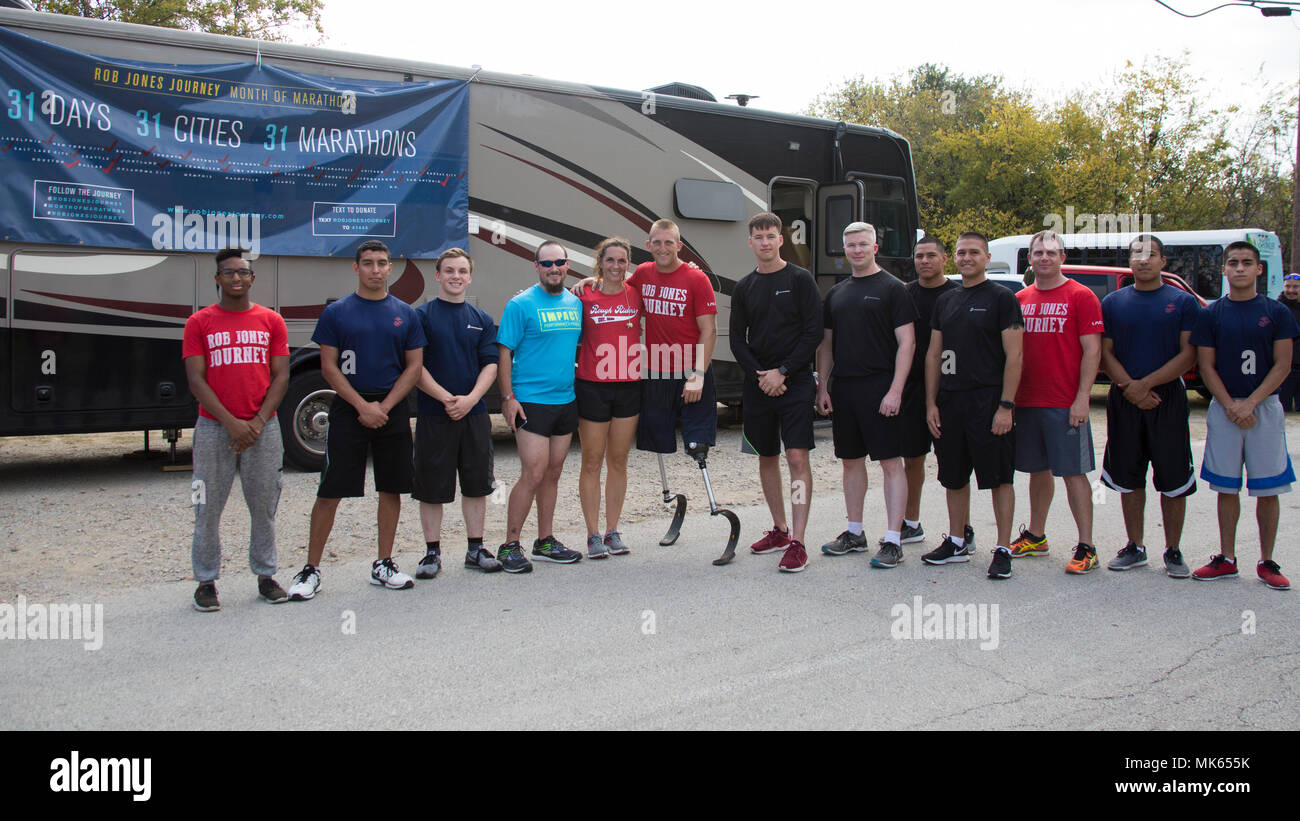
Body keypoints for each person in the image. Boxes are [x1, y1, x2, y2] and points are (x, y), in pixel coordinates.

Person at [287, 240, 426, 601]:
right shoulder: (337, 313)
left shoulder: (405, 313)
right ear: (356, 268)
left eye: (382, 263)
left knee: (391, 487)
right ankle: (311, 569)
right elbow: (328, 367)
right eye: (368, 263)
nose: (375, 270)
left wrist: (384, 406)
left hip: (391, 410)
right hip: (350, 409)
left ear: (390, 268)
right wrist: (362, 406)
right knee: (330, 490)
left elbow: (414, 367)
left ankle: (384, 564)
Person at [183, 247, 290, 611]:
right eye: (229, 273)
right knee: (207, 508)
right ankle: (206, 582)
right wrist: (232, 424)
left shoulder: (271, 321)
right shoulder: (199, 322)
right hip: (215, 428)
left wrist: (257, 423)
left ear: (252, 279)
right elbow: (196, 381)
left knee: (264, 506)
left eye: (243, 273)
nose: (236, 278)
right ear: (217, 279)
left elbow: (282, 376)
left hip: (264, 428)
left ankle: (266, 574)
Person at [1189, 241, 1297, 590]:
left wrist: (1250, 403)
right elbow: (1206, 365)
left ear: (1258, 269)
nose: (1239, 268)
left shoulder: (1277, 312)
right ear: (1223, 269)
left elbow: (1283, 364)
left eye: (1246, 263)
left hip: (1262, 407)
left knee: (1268, 488)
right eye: (1232, 263)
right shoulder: (1211, 313)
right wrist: (1231, 404)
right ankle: (1227, 558)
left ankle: (1267, 561)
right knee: (1226, 486)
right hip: (1225, 407)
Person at [922, 232, 1024, 579]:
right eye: (961, 252)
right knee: (953, 477)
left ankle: (1003, 548)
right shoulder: (946, 300)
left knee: (999, 478)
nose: (966, 258)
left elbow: (1015, 355)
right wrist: (931, 403)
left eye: (974, 252)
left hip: (989, 400)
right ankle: (957, 541)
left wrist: (1006, 406)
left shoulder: (1002, 298)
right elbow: (934, 354)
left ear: (987, 257)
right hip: (951, 401)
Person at [816, 221, 916, 569]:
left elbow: (908, 343)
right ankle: (854, 532)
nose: (856, 250)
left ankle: (892, 539)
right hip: (845, 388)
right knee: (851, 462)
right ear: (844, 250)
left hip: (881, 387)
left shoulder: (894, 289)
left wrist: (896, 390)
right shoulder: (837, 293)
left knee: (890, 463)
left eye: (863, 244)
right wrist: (823, 387)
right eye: (851, 245)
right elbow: (826, 345)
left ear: (875, 248)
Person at [1099, 235, 1200, 577]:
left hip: (1166, 397)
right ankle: (1136, 546)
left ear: (1163, 261)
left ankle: (1173, 550)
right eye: (1136, 255)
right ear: (1129, 261)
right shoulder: (1113, 302)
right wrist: (1130, 387)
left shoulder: (1183, 303)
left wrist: (1147, 385)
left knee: (1172, 478)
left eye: (1151, 255)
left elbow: (1189, 353)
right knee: (1129, 475)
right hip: (1125, 397)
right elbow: (1105, 352)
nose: (1143, 261)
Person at [1005, 229, 1105, 574]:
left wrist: (1082, 398)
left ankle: (1087, 546)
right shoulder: (1020, 299)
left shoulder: (1081, 296)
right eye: (1038, 252)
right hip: (1027, 401)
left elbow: (1093, 351)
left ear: (1062, 257)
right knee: (1037, 470)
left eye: (1051, 252)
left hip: (1065, 402)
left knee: (1074, 474)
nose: (1044, 257)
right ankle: (1036, 535)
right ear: (1029, 258)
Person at [730, 212, 821, 572]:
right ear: (750, 242)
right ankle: (780, 530)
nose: (765, 242)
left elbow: (813, 333)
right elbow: (737, 339)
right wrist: (761, 375)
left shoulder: (800, 280)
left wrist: (782, 371)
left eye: (771, 236)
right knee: (765, 457)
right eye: (759, 237)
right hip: (758, 385)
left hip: (794, 382)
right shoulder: (744, 287)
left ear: (781, 240)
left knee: (797, 459)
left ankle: (798, 541)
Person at [411, 248, 503, 578]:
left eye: (462, 271)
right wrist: (446, 398)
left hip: (474, 414)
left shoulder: (481, 319)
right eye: (449, 270)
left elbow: (490, 366)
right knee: (431, 487)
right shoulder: (420, 317)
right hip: (434, 414)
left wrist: (470, 399)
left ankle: (475, 548)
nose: (456, 276)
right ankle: (431, 554)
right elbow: (415, 366)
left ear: (470, 277)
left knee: (477, 485)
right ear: (437, 275)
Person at [496, 240, 585, 573]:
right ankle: (509, 545)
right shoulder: (520, 305)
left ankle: (545, 541)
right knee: (533, 473)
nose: (553, 268)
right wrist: (507, 398)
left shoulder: (575, 303)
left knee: (552, 473)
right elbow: (504, 352)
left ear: (567, 265)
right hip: (531, 400)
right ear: (536, 266)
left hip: (565, 400)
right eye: (546, 263)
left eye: (559, 262)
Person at [576, 237, 642, 559]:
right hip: (592, 386)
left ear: (628, 264)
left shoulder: (637, 294)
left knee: (619, 460)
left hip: (628, 386)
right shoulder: (584, 293)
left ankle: (613, 530)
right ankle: (592, 535)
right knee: (592, 460)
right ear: (600, 262)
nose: (616, 267)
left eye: (622, 261)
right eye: (610, 260)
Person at [902, 235, 964, 548]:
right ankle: (910, 523)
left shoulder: (959, 293)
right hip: (913, 388)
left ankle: (962, 529)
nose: (924, 261)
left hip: (951, 388)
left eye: (930, 256)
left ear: (944, 259)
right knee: (912, 459)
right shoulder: (904, 294)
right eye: (919, 256)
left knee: (955, 462)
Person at [1276, 273, 1300, 411]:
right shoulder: (1277, 309)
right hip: (1285, 367)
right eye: (1288, 286)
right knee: (1282, 408)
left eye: (1295, 287)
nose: (1291, 290)